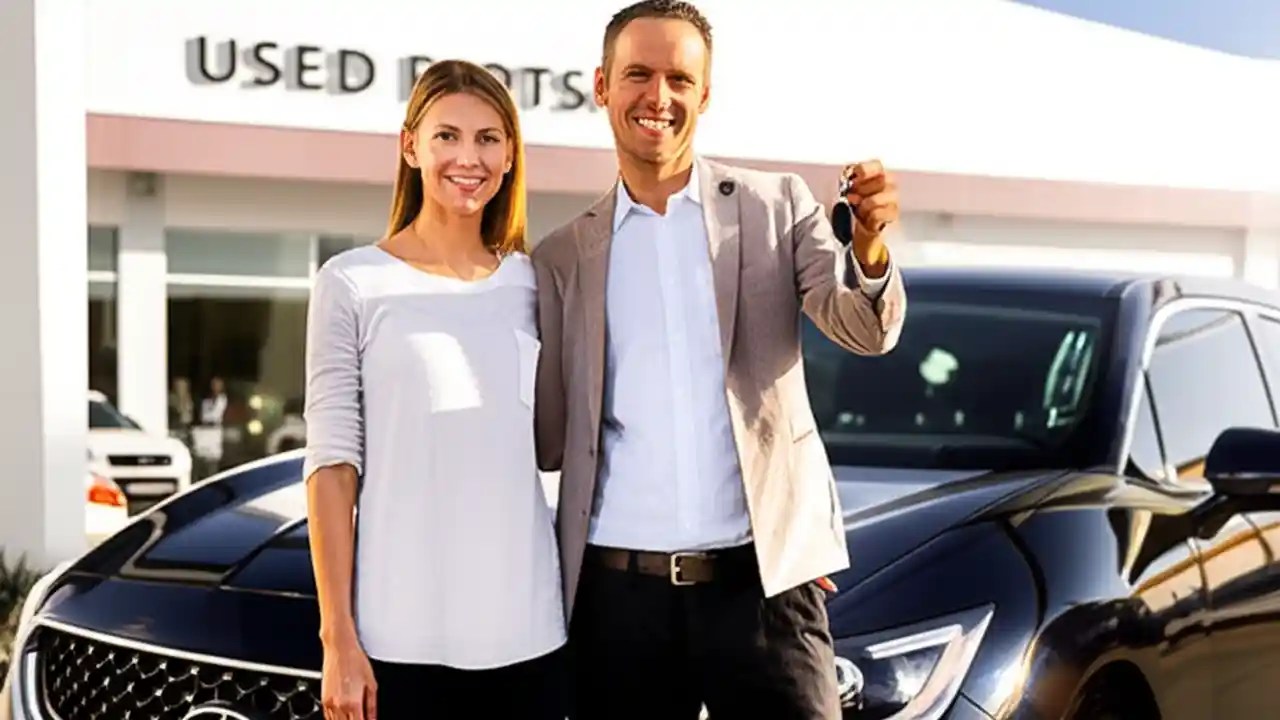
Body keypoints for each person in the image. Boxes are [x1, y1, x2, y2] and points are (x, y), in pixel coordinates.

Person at [530, 2, 907, 718]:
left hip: (762, 593)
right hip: (617, 602)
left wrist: (870, 247)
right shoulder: (560, 259)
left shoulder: (776, 206)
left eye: (680, 78)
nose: (659, 96)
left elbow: (864, 328)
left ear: (705, 94)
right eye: (638, 74)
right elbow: (547, 437)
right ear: (602, 85)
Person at [303, 59, 566, 720]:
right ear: (410, 145)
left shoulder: (538, 285)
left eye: (488, 138)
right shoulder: (352, 282)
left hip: (531, 640)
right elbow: (332, 466)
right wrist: (339, 639)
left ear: (509, 157)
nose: (467, 157)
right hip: (399, 645)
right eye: (447, 135)